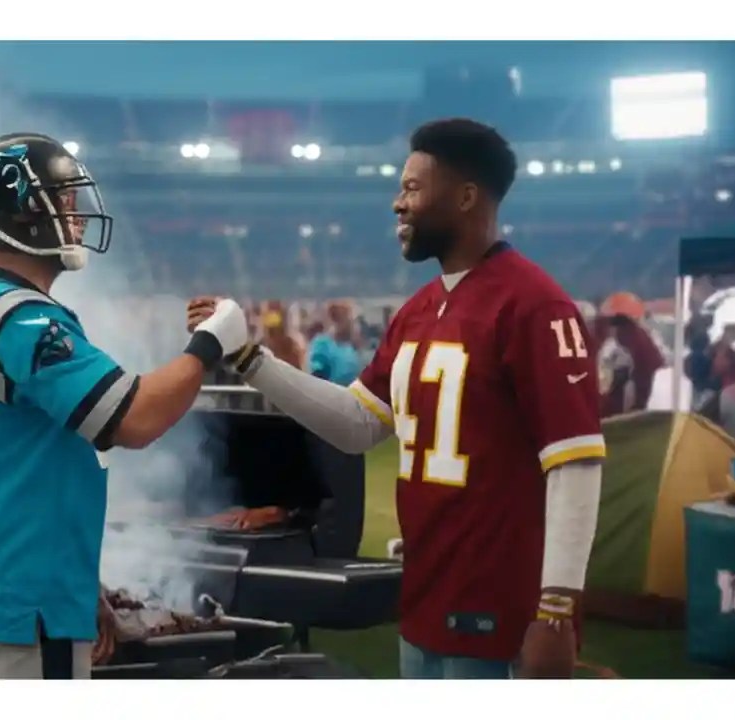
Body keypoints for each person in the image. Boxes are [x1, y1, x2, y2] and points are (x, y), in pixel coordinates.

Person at [188, 118, 604, 679]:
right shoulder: (418, 311)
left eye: (412, 188)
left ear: (464, 197)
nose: (396, 204)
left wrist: (556, 611)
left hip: (498, 604)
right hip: (426, 592)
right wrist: (250, 361)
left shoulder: (534, 305)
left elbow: (574, 462)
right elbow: (358, 423)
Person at [0, 133, 249, 680]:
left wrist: (78, 587)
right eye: (65, 201)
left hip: (10, 575)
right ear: (25, 212)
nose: (77, 217)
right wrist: (210, 345)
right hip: (20, 586)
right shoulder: (24, 318)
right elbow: (134, 417)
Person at [307, 300, 363, 386]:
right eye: (349, 319)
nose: (353, 324)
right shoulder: (322, 344)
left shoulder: (351, 347)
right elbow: (317, 377)